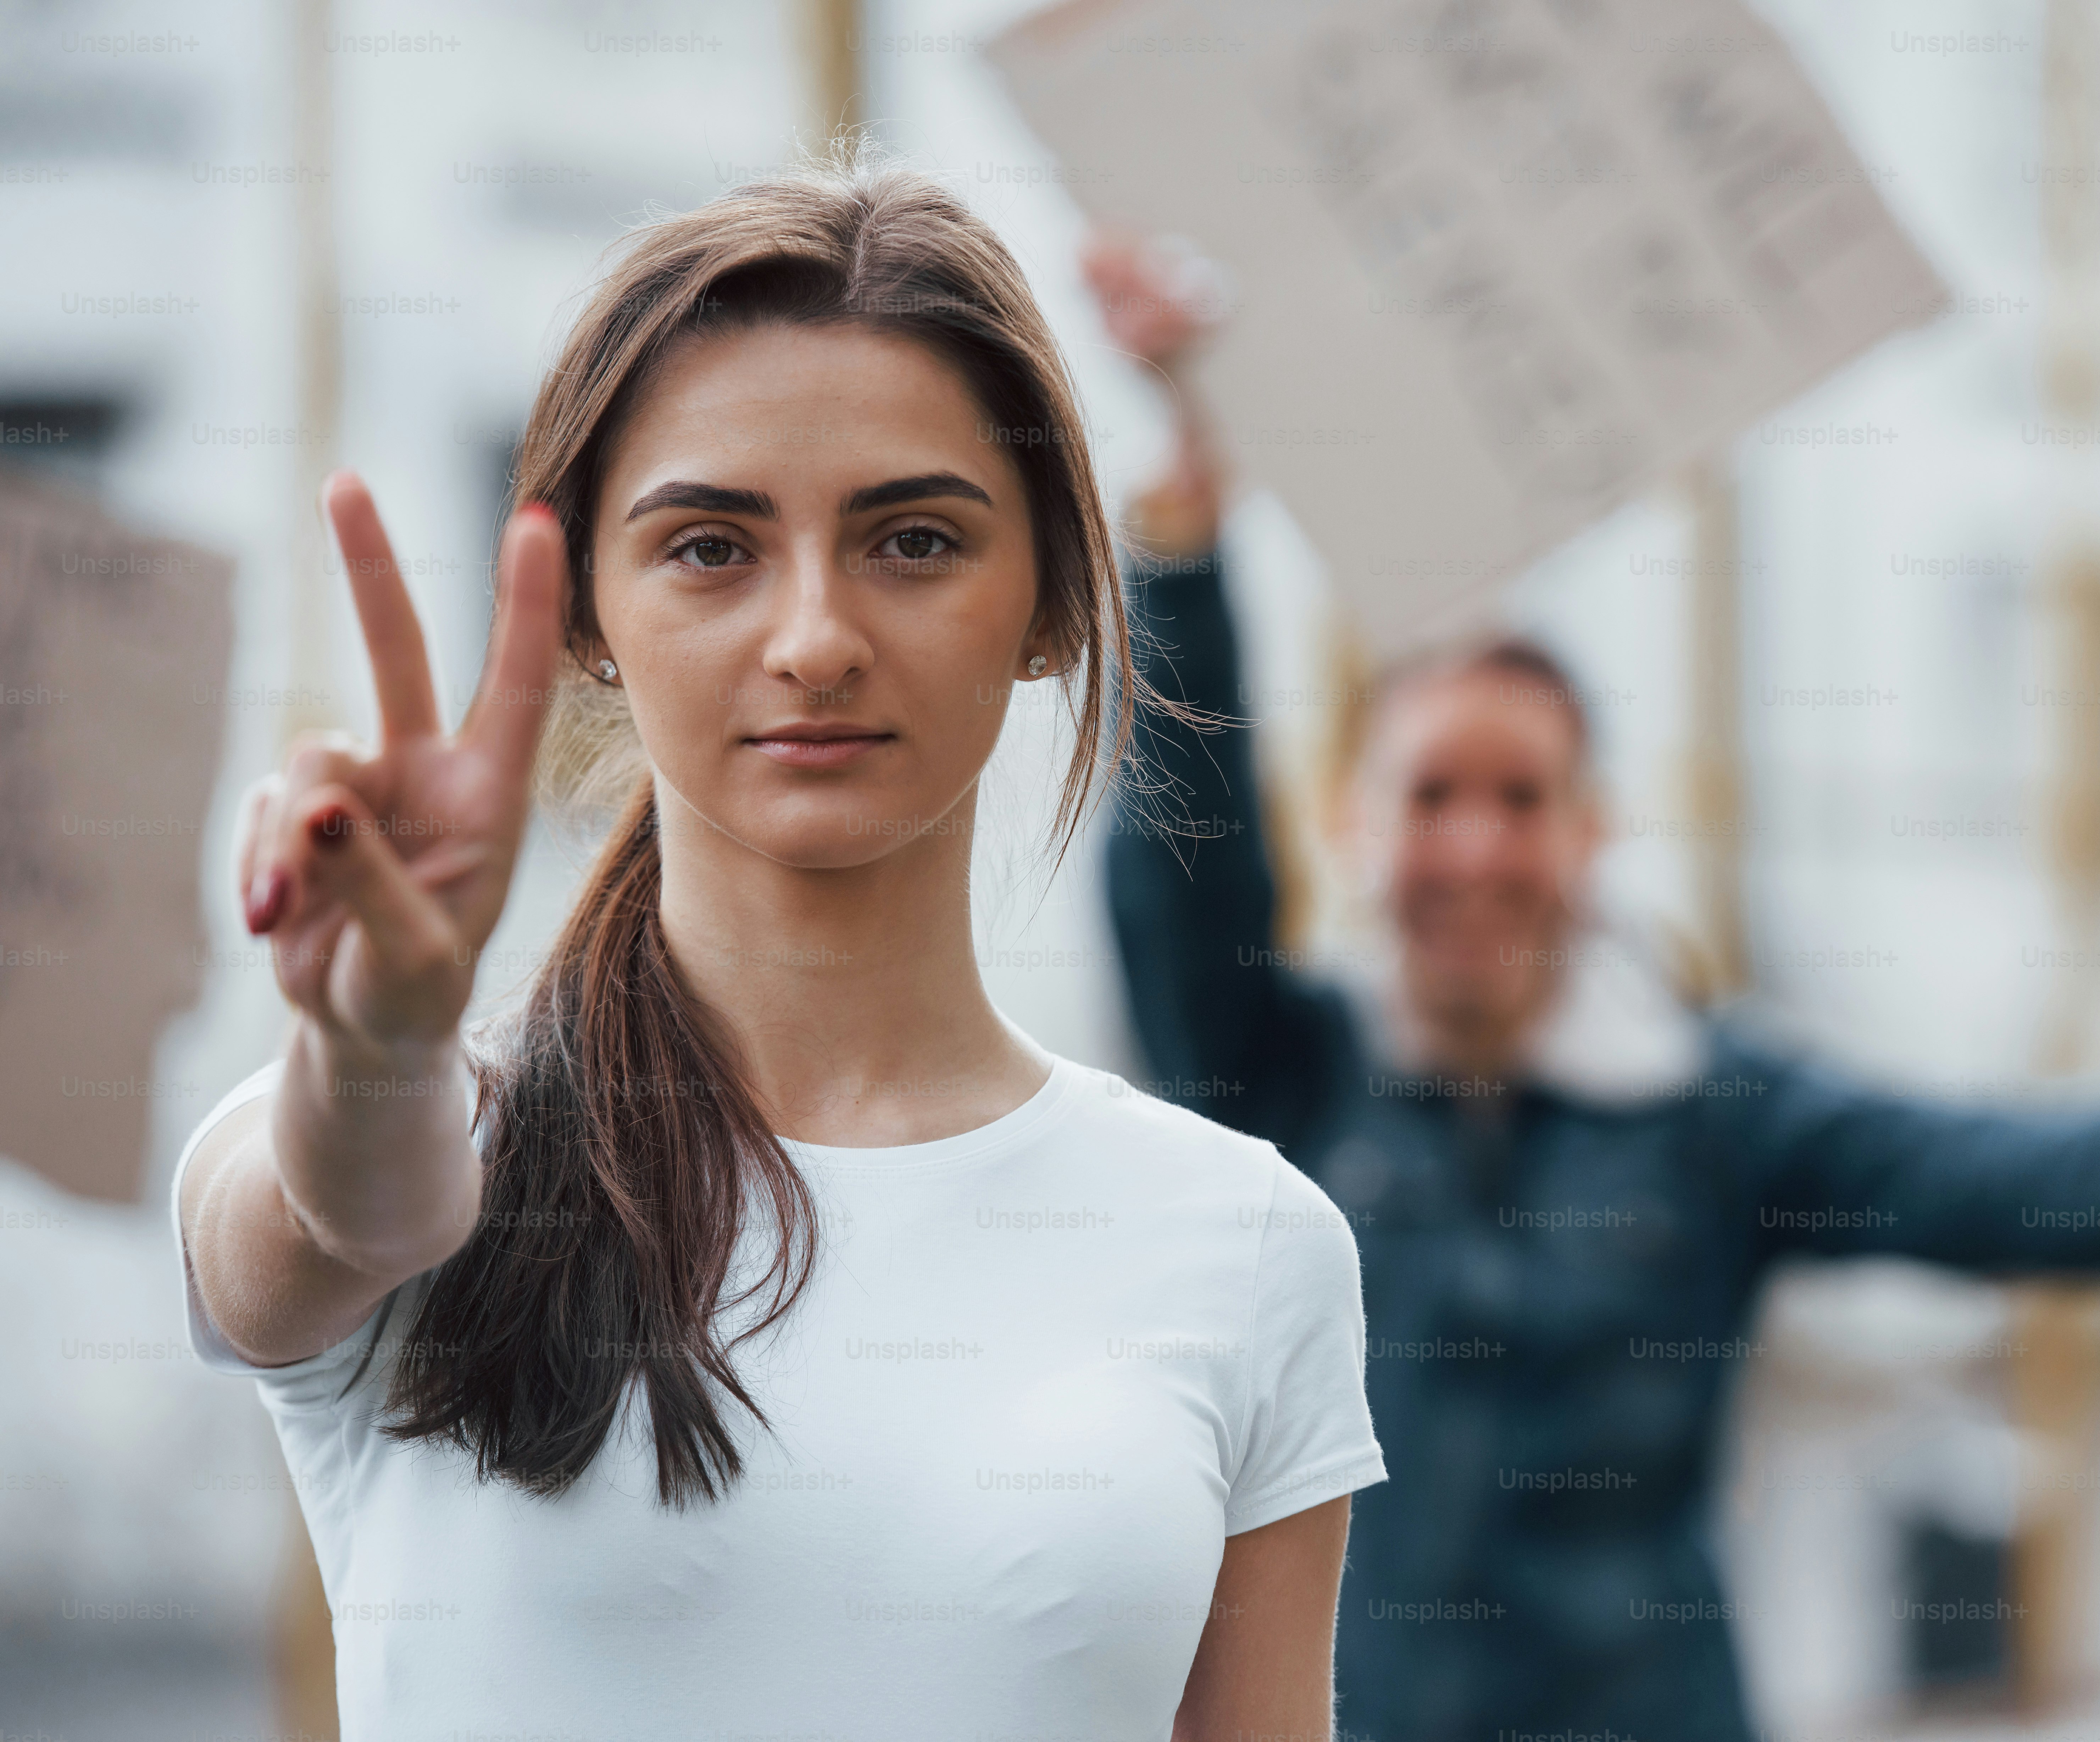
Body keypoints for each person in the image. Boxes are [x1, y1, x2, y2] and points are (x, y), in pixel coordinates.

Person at [1088, 232, 2100, 1742]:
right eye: (1433, 792)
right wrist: (1183, 528)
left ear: (1590, 836)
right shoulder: (1274, 1080)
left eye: (1522, 799)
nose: (1476, 845)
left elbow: (2016, 1184)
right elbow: (1181, 879)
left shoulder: (1713, 1113)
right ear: (1353, 824)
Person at [170, 161, 1386, 1740]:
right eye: (710, 548)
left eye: (916, 540)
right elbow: (338, 1214)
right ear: (588, 610)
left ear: (1055, 608)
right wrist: (377, 1040)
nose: (813, 637)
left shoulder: (1247, 1242)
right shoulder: (420, 1132)